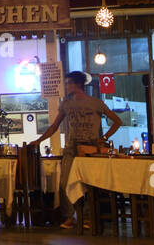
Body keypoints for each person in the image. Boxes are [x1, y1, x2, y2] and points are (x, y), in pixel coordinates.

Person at [32, 70, 124, 229]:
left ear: (77, 84)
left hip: (90, 148)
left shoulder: (95, 103)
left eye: (68, 83)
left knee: (88, 183)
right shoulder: (66, 104)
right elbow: (54, 126)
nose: (67, 86)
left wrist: (103, 138)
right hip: (71, 147)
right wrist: (39, 140)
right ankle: (71, 216)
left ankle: (88, 217)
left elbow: (117, 121)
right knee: (65, 182)